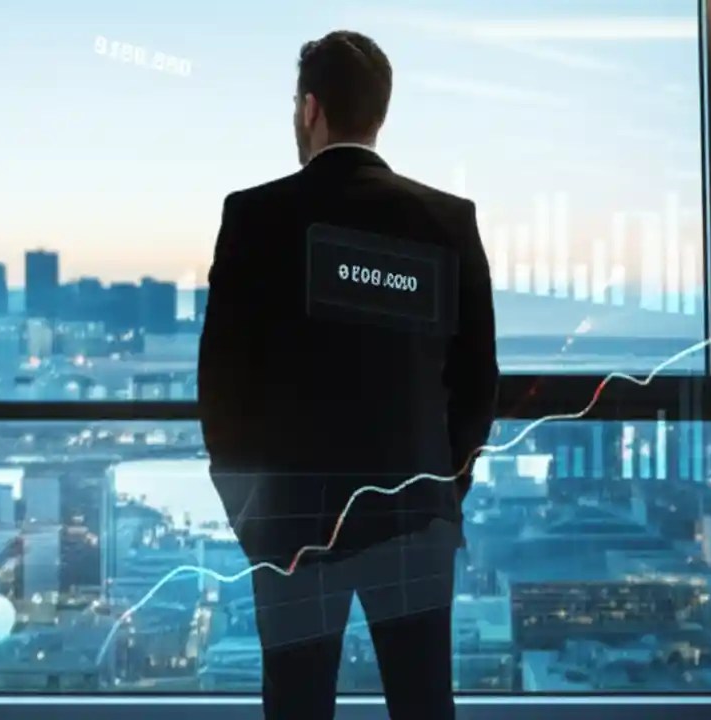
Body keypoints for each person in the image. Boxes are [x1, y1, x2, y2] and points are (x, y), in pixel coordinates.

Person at [197, 30, 499, 720]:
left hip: (293, 520)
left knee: (297, 706)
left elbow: (221, 386)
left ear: (311, 109)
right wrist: (441, 488)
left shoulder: (254, 217)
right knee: (423, 704)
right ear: (379, 112)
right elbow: (478, 381)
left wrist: (250, 511)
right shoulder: (447, 221)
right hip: (413, 512)